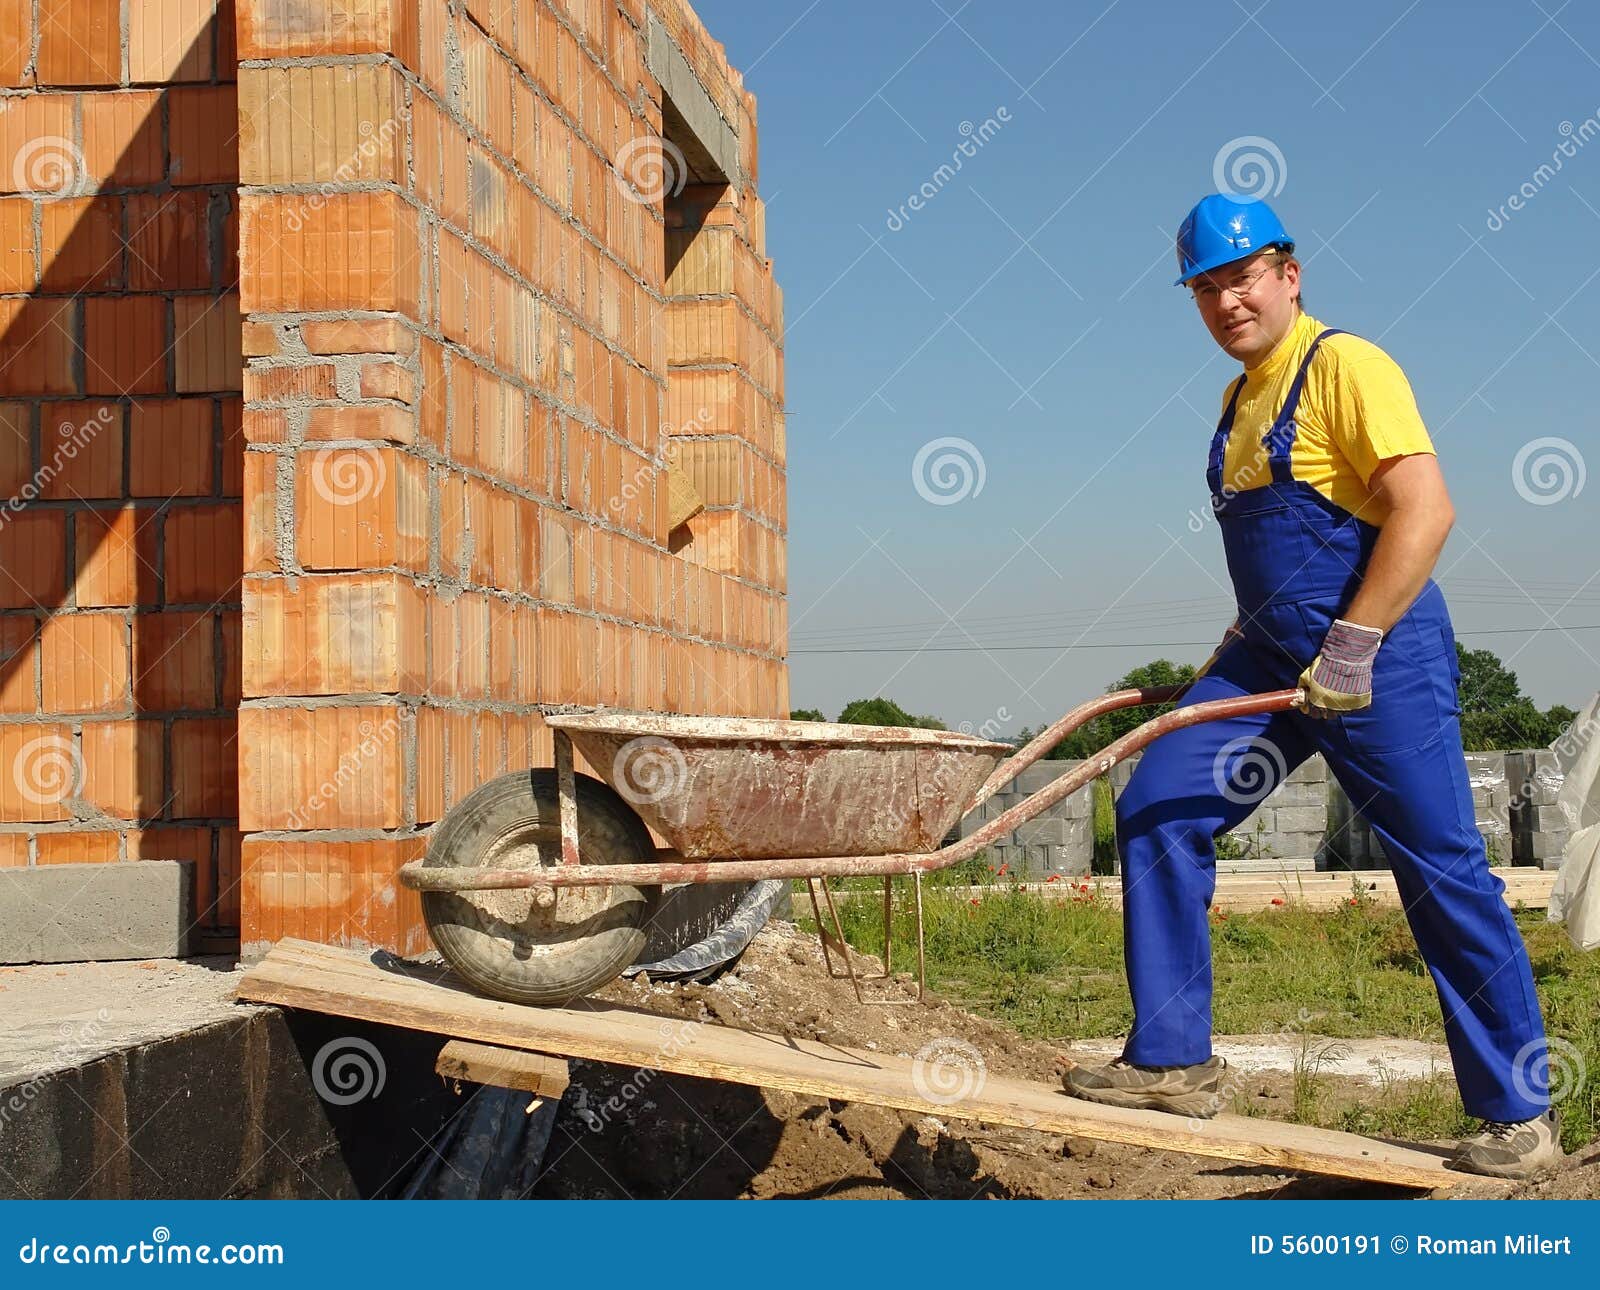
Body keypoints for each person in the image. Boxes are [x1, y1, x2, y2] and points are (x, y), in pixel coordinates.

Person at [1059, 193, 1562, 1180]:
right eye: (1205, 288)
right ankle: (1171, 1061)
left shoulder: (1346, 367)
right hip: (1268, 657)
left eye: (1240, 277)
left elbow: (1426, 508)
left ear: (1288, 274)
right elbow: (1273, 564)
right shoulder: (1235, 403)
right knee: (1159, 799)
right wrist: (1224, 661)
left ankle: (1517, 1117)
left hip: (1380, 655)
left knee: (1440, 868)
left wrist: (1353, 646)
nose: (1224, 301)